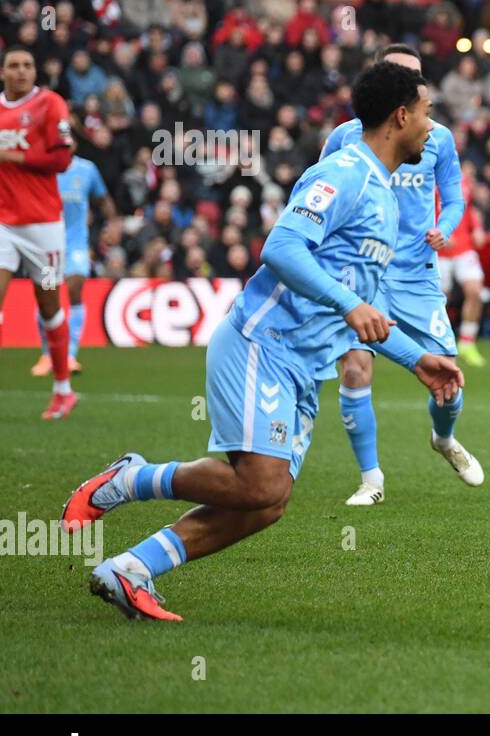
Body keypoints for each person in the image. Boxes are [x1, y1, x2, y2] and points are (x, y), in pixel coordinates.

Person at [60, 63, 463, 621]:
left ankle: (130, 569)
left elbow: (361, 313)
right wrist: (350, 304)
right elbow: (282, 247)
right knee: (258, 483)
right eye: (427, 112)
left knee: (267, 502)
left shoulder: (388, 198)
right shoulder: (345, 173)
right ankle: (127, 478)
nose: (432, 126)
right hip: (262, 342)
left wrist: (417, 359)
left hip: (302, 367)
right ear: (401, 115)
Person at [320, 45, 483, 505]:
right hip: (363, 273)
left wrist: (444, 229)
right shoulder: (344, 139)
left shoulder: (438, 138)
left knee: (448, 380)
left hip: (416, 273)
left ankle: (443, 438)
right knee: (355, 366)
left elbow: (453, 198)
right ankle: (371, 480)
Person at [0, 45, 77, 418]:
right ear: (3, 73)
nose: (21, 71)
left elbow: (62, 158)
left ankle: (63, 389)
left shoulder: (50, 104)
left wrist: (11, 156)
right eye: (13, 65)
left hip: (44, 228)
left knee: (49, 305)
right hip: (3, 226)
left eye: (28, 65)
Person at [31, 141, 112, 376]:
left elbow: (103, 199)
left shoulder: (87, 169)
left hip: (75, 244)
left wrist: (112, 224)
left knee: (75, 288)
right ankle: (47, 354)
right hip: (45, 244)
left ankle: (70, 355)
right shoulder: (43, 169)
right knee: (47, 297)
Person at [437, 167, 488, 366]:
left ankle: (467, 342)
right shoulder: (426, 175)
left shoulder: (463, 177)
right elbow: (420, 211)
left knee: (475, 291)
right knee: (440, 299)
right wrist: (440, 230)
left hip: (464, 246)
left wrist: (477, 228)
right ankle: (438, 344)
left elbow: (468, 207)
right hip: (438, 248)